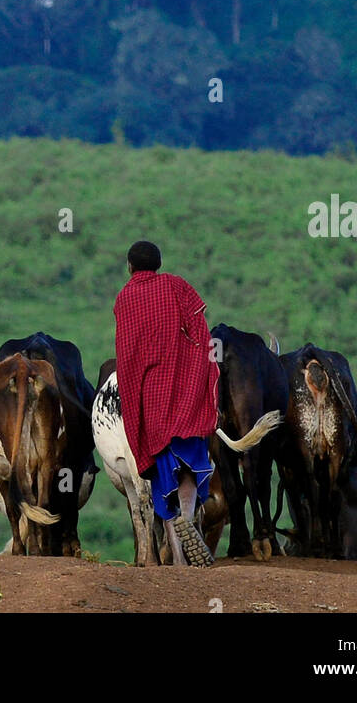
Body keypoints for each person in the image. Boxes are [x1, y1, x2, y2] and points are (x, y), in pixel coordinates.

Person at [113, 239, 219, 566]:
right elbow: (201, 335)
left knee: (163, 476)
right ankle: (188, 516)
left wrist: (134, 399)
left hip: (152, 400)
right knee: (189, 466)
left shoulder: (125, 298)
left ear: (130, 267)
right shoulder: (176, 286)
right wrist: (201, 375)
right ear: (158, 264)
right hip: (184, 393)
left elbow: (127, 357)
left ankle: (178, 556)